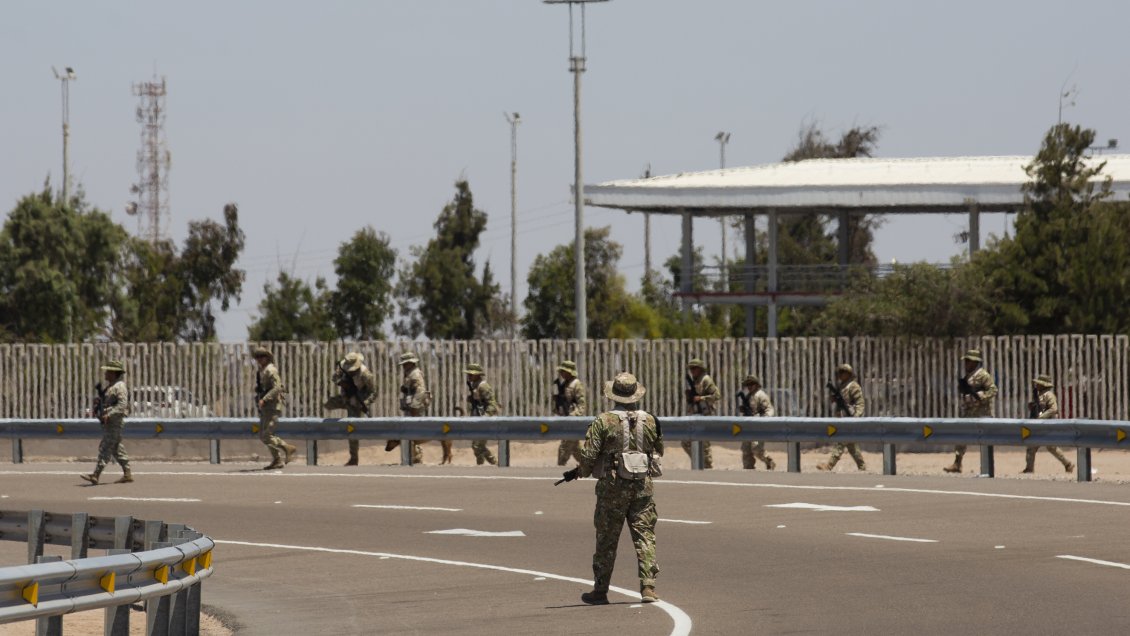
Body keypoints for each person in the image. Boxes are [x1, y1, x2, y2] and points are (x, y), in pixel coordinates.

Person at [570, 371, 662, 605]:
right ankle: (648, 587)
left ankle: (600, 590)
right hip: (642, 484)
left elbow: (589, 453)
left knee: (607, 538)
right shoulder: (650, 420)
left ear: (614, 395)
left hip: (612, 487)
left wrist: (582, 471)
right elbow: (658, 447)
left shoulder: (603, 420)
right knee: (645, 535)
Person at [80, 360, 134, 485]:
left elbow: (122, 404)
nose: (105, 373)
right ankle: (127, 474)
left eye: (108, 371)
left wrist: (109, 414)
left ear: (114, 373)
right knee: (116, 448)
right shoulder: (111, 386)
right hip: (109, 422)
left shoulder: (119, 386)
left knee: (106, 448)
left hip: (114, 422)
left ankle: (95, 475)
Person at [945, 349, 998, 473]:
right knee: (961, 436)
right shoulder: (968, 376)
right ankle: (957, 463)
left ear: (975, 362)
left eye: (968, 361)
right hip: (969, 412)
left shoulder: (983, 375)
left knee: (985, 440)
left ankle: (987, 466)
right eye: (966, 361)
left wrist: (981, 396)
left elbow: (993, 390)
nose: (966, 363)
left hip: (982, 412)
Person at [324, 352, 377, 466]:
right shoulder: (343, 369)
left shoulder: (365, 374)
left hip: (356, 403)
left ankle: (354, 458)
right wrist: (341, 383)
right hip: (344, 398)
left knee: (351, 428)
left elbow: (373, 392)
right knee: (326, 404)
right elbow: (334, 378)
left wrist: (364, 403)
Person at [252, 347, 297, 470]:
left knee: (266, 435)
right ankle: (277, 459)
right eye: (257, 357)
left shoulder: (271, 370)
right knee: (263, 435)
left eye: (262, 356)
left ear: (267, 357)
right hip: (266, 407)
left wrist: (264, 399)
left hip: (272, 406)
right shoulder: (262, 371)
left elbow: (277, 387)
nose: (259, 359)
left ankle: (287, 448)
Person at [389, 352, 437, 465]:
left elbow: (419, 392)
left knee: (413, 431)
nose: (403, 366)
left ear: (411, 363)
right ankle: (414, 456)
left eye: (405, 363)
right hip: (411, 406)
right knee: (411, 432)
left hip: (415, 406)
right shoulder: (410, 373)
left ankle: (417, 456)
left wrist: (414, 408)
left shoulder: (415, 374)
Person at [818, 364, 866, 472]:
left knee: (841, 440)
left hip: (849, 418)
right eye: (840, 372)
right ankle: (862, 466)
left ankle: (829, 466)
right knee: (851, 445)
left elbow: (860, 403)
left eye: (843, 372)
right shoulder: (841, 386)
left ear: (848, 374)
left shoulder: (853, 386)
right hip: (842, 418)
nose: (840, 374)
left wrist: (856, 416)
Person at [1023, 374, 1074, 474]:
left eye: (1038, 384)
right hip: (1038, 425)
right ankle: (1029, 469)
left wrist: (1042, 417)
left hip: (1046, 425)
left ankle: (1068, 464)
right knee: (1032, 446)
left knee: (1051, 447)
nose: (1036, 385)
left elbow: (1054, 409)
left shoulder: (1049, 395)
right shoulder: (1039, 395)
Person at [682, 358, 719, 469]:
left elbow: (717, 395)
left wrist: (701, 398)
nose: (692, 371)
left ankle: (707, 467)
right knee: (685, 442)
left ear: (700, 369)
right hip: (694, 415)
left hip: (705, 415)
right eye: (691, 368)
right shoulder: (694, 381)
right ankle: (699, 462)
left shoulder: (706, 379)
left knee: (705, 444)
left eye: (694, 368)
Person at [737, 375, 777, 470]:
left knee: (756, 448)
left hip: (758, 425)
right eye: (748, 384)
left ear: (756, 385)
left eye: (751, 384)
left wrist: (763, 420)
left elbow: (769, 410)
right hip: (748, 425)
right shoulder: (748, 396)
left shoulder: (761, 395)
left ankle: (769, 462)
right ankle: (748, 469)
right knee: (746, 450)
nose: (749, 386)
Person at [554, 360, 588, 466]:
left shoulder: (576, 384)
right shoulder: (564, 384)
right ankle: (589, 465)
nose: (561, 374)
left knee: (564, 448)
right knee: (576, 449)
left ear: (569, 372)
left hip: (573, 421)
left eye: (563, 371)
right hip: (566, 420)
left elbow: (582, 405)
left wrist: (573, 416)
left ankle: (559, 469)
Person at [465, 363, 499, 465]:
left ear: (478, 375)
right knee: (477, 444)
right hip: (477, 419)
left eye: (471, 374)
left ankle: (492, 462)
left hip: (483, 419)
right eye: (469, 374)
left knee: (477, 445)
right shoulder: (475, 385)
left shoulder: (483, 386)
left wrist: (486, 417)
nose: (469, 376)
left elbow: (492, 404)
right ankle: (481, 465)